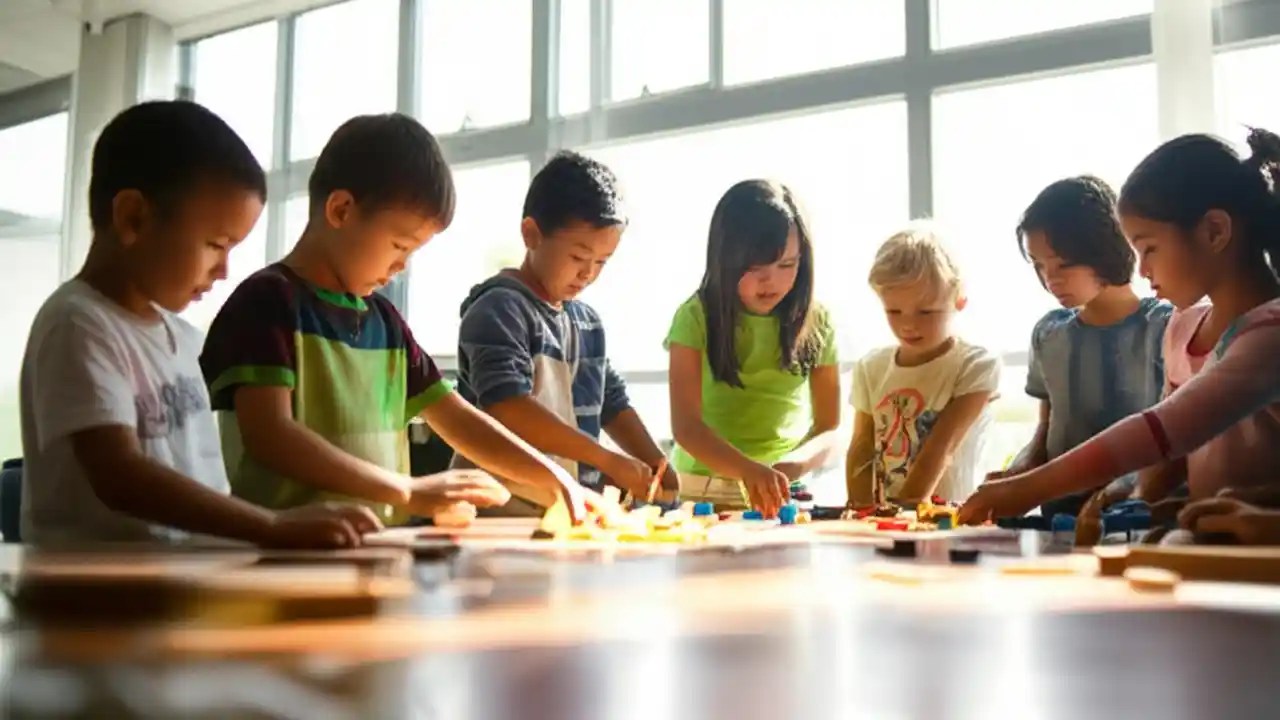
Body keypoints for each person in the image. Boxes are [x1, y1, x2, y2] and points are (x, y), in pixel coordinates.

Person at [201, 114, 592, 527]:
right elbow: (271, 437)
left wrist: (560, 482)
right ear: (341, 209)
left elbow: (458, 420)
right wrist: (405, 490)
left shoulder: (385, 322)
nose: (402, 264)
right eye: (399, 244)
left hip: (378, 552)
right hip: (285, 555)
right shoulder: (268, 303)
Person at [20, 100, 378, 548]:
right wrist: (270, 526)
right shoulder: (77, 324)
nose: (224, 270)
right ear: (134, 218)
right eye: (215, 244)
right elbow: (120, 476)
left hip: (181, 578)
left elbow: (207, 483)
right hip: (97, 596)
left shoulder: (182, 338)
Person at [961, 128, 1280, 525]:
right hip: (1214, 548)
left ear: (1215, 231)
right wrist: (1138, 498)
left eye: (1149, 248)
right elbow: (1170, 457)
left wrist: (1028, 489)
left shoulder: (1270, 334)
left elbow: (1164, 430)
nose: (1143, 269)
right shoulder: (1182, 330)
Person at [453, 152, 676, 513]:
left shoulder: (586, 322)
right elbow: (508, 406)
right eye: (578, 257)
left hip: (563, 507)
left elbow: (612, 401)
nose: (588, 273)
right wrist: (605, 458)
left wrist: (654, 461)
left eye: (601, 262)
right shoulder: (499, 309)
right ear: (531, 235)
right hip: (495, 506)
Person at [990, 175, 1171, 518]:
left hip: (1137, 517)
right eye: (1039, 265)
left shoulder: (1163, 326)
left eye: (1064, 264)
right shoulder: (1048, 334)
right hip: (1059, 518)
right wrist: (1017, 473)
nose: (1050, 279)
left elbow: (1175, 442)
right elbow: (1044, 434)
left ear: (1104, 248)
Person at [666, 180, 840, 518]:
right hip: (703, 489)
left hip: (783, 490)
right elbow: (686, 427)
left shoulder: (818, 321)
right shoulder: (695, 317)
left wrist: (791, 466)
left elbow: (830, 428)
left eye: (786, 265)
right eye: (755, 267)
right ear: (724, 260)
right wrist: (748, 470)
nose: (770, 281)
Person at [847, 224, 1000, 507]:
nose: (908, 324)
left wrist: (904, 511)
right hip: (883, 523)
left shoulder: (976, 365)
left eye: (926, 311)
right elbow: (861, 447)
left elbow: (942, 447)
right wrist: (859, 511)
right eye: (893, 311)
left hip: (949, 519)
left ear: (959, 300)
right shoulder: (871, 367)